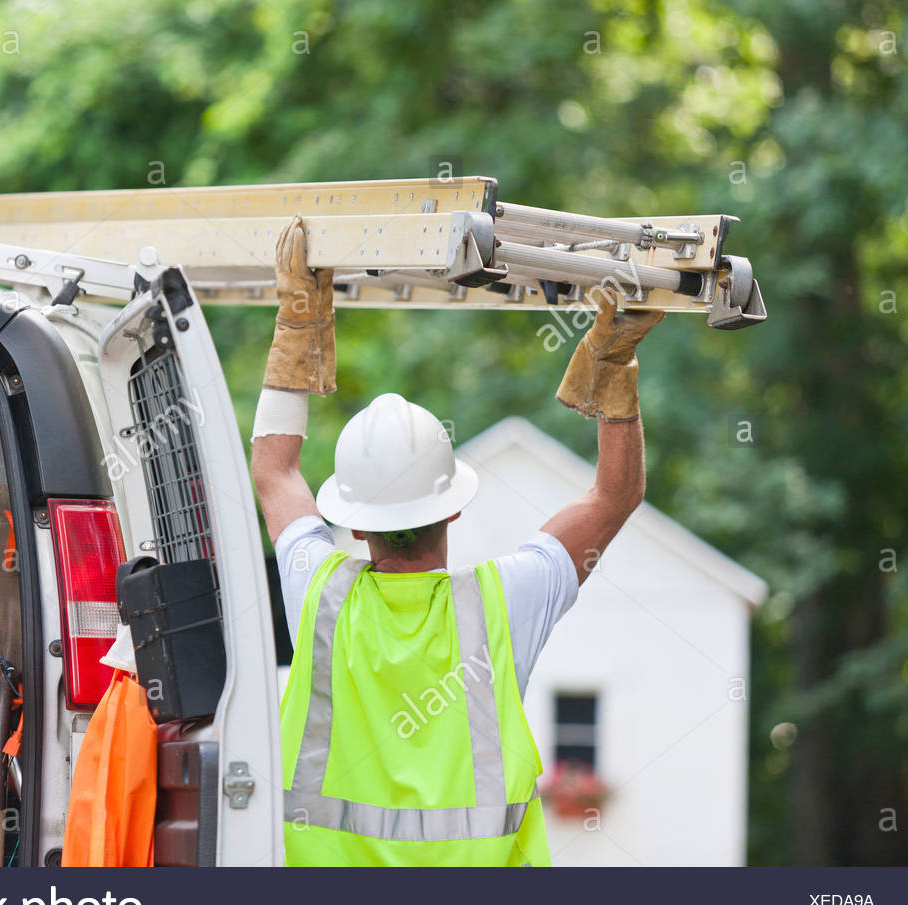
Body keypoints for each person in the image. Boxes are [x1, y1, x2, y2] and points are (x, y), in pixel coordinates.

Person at [250, 215, 662, 866]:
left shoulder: (317, 595)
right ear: (454, 512)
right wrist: (614, 365)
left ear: (355, 524)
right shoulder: (505, 603)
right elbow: (616, 495)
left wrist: (297, 321)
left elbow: (275, 473)